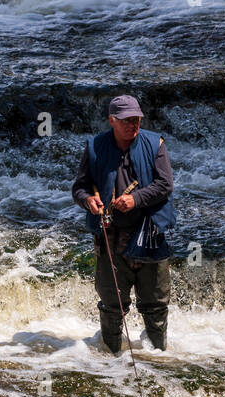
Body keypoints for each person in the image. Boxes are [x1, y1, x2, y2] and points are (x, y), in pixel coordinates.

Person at [71, 95, 176, 353]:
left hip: (149, 235)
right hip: (110, 237)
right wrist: (88, 202)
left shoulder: (155, 144)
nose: (133, 124)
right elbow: (80, 188)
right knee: (111, 305)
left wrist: (135, 199)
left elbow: (165, 185)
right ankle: (111, 362)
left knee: (155, 303)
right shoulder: (95, 147)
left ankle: (158, 356)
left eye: (136, 119)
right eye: (127, 120)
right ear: (112, 120)